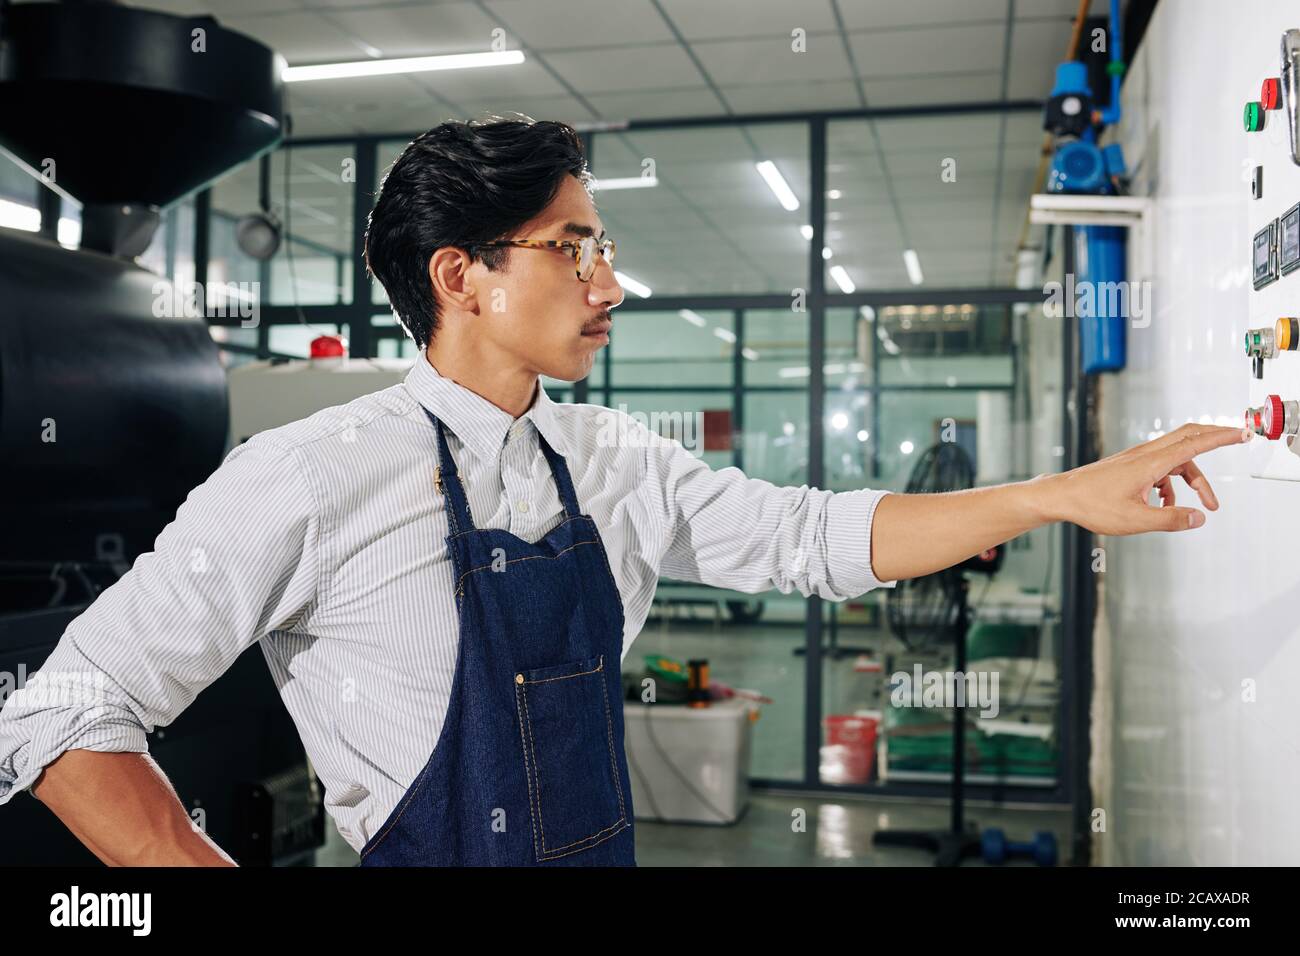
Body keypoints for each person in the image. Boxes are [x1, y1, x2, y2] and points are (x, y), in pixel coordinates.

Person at [0, 117, 1249, 866]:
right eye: (573, 247)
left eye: (603, 246)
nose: (608, 282)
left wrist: (1056, 495)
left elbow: (813, 536)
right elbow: (62, 707)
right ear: (462, 276)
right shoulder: (310, 473)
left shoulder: (612, 459)